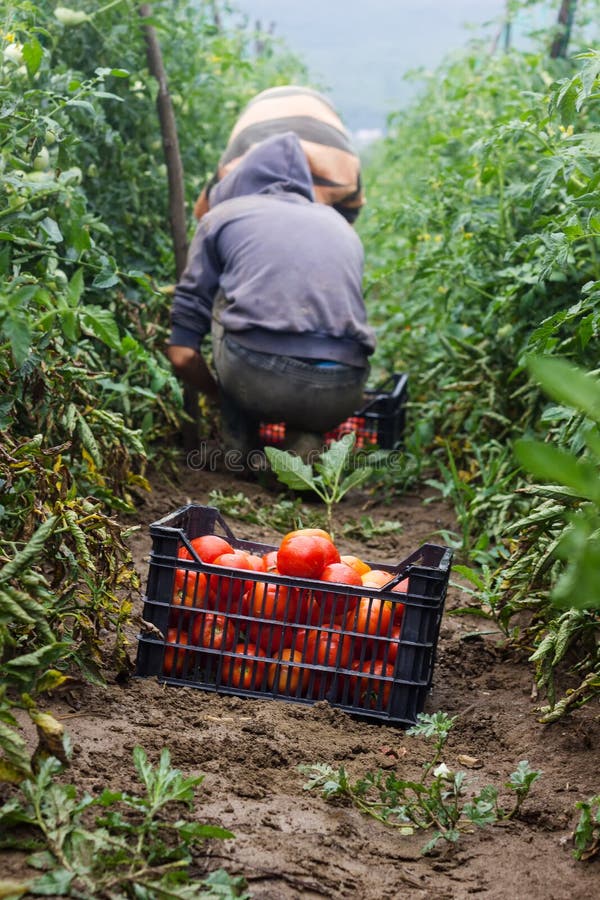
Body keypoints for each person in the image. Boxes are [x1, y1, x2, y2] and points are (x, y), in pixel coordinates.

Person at [168, 131, 376, 460]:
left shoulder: (223, 216)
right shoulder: (339, 225)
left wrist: (221, 395)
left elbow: (182, 353)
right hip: (344, 388)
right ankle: (303, 438)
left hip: (260, 381)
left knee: (231, 293)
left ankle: (241, 447)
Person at [193, 85, 365, 225]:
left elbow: (205, 217)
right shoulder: (342, 172)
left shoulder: (237, 172)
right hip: (264, 127)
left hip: (263, 122)